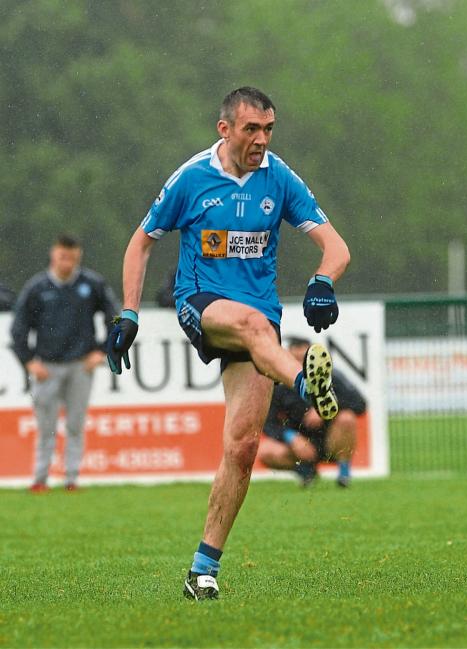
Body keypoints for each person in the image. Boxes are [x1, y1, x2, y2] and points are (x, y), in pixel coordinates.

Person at [105, 87, 350, 602]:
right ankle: (305, 383)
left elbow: (336, 247)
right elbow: (141, 241)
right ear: (225, 130)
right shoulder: (192, 178)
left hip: (258, 319)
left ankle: (202, 569)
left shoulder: (278, 177)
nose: (261, 140)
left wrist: (323, 281)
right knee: (257, 329)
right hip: (201, 300)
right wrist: (129, 311)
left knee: (242, 447)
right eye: (251, 130)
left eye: (268, 129)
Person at [10, 234, 119, 492]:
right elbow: (19, 328)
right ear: (53, 255)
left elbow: (114, 317)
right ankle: (40, 478)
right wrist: (28, 361)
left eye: (71, 257)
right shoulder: (37, 287)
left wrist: (102, 351)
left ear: (78, 256)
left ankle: (71, 478)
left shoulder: (91, 283)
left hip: (81, 364)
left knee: (75, 424)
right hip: (47, 366)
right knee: (45, 426)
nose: (66, 262)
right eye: (62, 256)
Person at [258, 336, 367, 488]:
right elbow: (268, 422)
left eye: (304, 354)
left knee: (347, 418)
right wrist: (290, 437)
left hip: (331, 441)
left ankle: (344, 474)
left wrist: (325, 409)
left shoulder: (332, 377)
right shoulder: (279, 385)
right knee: (265, 451)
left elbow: (360, 404)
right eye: (295, 354)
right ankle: (306, 471)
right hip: (300, 445)